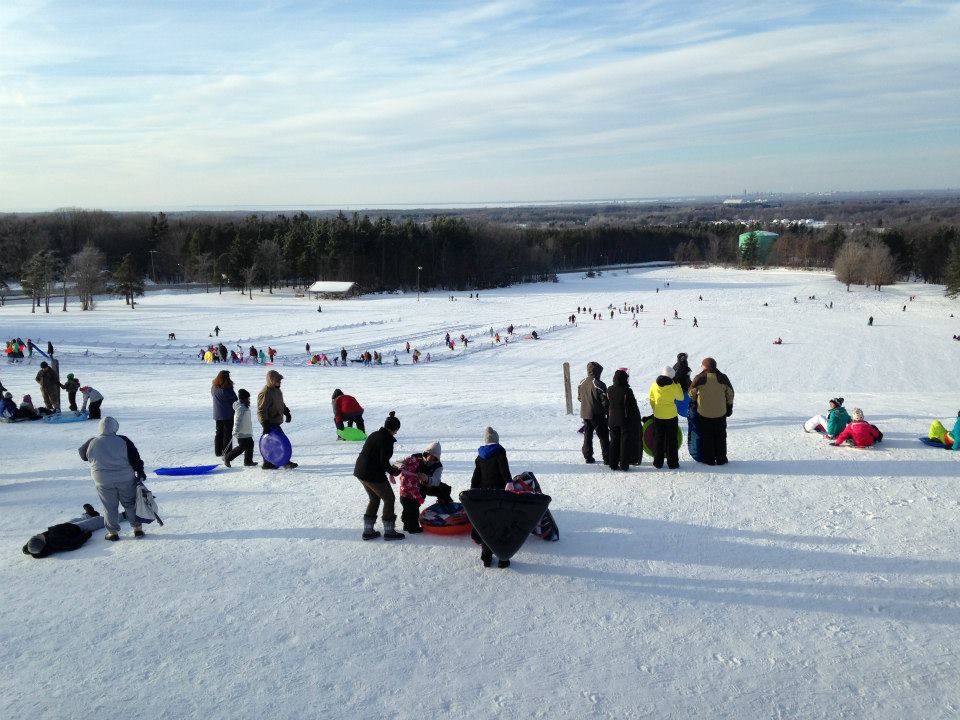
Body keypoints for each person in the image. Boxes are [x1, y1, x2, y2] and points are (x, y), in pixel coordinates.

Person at [78, 417, 146, 541]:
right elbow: (135, 458)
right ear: (115, 427)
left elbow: (83, 455)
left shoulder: (92, 441)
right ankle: (137, 529)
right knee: (130, 503)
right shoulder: (123, 440)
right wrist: (140, 471)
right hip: (125, 478)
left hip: (102, 480)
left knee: (109, 506)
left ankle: (112, 533)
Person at [353, 411, 404, 541]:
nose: (396, 433)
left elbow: (378, 458)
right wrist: (394, 471)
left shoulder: (375, 434)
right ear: (394, 429)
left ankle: (368, 531)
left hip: (360, 471)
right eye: (396, 430)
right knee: (389, 498)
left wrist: (391, 470)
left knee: (374, 498)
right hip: (372, 474)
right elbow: (383, 463)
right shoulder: (386, 440)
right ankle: (389, 531)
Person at [470, 427, 513, 568]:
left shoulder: (480, 455)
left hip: (484, 494)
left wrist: (473, 490)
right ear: (496, 440)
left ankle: (486, 557)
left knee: (487, 524)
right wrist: (509, 482)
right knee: (500, 524)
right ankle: (503, 558)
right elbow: (504, 469)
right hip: (498, 493)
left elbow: (476, 475)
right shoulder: (500, 451)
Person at [689, 357, 735, 465]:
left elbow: (691, 393)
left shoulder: (699, 378)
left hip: (704, 413)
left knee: (707, 436)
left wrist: (695, 400)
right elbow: (730, 393)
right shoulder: (722, 377)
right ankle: (721, 459)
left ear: (705, 366)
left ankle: (709, 459)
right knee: (721, 436)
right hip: (720, 413)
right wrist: (729, 406)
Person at [256, 370, 297, 469]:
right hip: (269, 421)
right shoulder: (265, 392)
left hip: (275, 420)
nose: (280, 383)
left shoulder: (277, 390)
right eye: (278, 381)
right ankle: (284, 461)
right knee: (279, 441)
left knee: (271, 442)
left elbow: (280, 403)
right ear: (272, 380)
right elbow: (261, 410)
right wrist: (265, 424)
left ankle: (268, 463)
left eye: (280, 381)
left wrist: (286, 412)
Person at [606, 369, 640, 471]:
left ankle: (613, 464)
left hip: (612, 419)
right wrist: (637, 419)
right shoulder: (627, 390)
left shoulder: (609, 389)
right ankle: (624, 465)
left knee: (614, 441)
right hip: (624, 419)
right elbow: (633, 406)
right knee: (624, 442)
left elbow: (607, 404)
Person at [649, 366, 682, 469]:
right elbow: (681, 397)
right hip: (671, 415)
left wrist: (655, 408)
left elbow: (651, 398)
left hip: (658, 415)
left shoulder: (654, 385)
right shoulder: (673, 386)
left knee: (658, 439)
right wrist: (678, 384)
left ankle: (657, 462)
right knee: (672, 440)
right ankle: (673, 463)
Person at [578, 361, 609, 465]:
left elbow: (579, 398)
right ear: (598, 372)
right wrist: (607, 412)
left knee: (587, 435)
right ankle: (607, 458)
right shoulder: (599, 384)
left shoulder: (582, 382)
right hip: (597, 414)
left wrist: (587, 403)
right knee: (603, 436)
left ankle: (588, 456)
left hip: (585, 413)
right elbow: (605, 402)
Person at [223, 389, 257, 467]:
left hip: (247, 431)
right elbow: (237, 420)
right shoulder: (241, 408)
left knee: (250, 445)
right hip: (241, 432)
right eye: (247, 398)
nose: (249, 400)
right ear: (243, 399)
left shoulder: (245, 406)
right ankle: (227, 458)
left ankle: (248, 461)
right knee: (242, 447)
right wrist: (236, 430)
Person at [211, 370, 238, 458]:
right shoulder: (227, 389)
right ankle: (227, 451)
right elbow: (234, 399)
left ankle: (218, 451)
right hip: (227, 414)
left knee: (219, 432)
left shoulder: (214, 387)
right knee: (227, 432)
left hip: (217, 413)